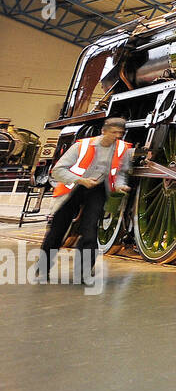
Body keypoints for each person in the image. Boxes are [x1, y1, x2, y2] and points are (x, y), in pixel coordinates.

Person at [37, 117, 131, 284]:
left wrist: (120, 186)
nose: (117, 136)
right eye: (113, 132)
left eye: (120, 133)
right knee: (58, 230)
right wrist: (81, 180)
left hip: (97, 190)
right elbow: (57, 170)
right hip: (73, 189)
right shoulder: (82, 146)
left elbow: (120, 173)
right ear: (103, 131)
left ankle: (84, 272)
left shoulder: (122, 149)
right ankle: (43, 268)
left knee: (90, 230)